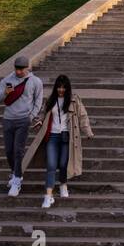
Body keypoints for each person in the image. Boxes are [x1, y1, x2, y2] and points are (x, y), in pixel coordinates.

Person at [21, 74, 94, 209]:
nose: (61, 90)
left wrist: (88, 131)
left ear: (68, 88)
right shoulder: (50, 100)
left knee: (63, 163)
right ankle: (48, 196)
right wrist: (40, 121)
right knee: (51, 165)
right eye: (59, 87)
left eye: (64, 88)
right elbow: (44, 113)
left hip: (68, 136)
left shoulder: (74, 100)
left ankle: (63, 184)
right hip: (53, 137)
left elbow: (83, 116)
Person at [0, 57, 43, 197]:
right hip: (8, 119)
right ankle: (15, 173)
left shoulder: (35, 81)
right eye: (17, 68)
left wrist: (31, 116)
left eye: (22, 69)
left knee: (18, 150)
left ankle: (16, 182)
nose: (19, 71)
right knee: (9, 151)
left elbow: (38, 101)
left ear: (28, 67)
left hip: (23, 119)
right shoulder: (7, 80)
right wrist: (5, 93)